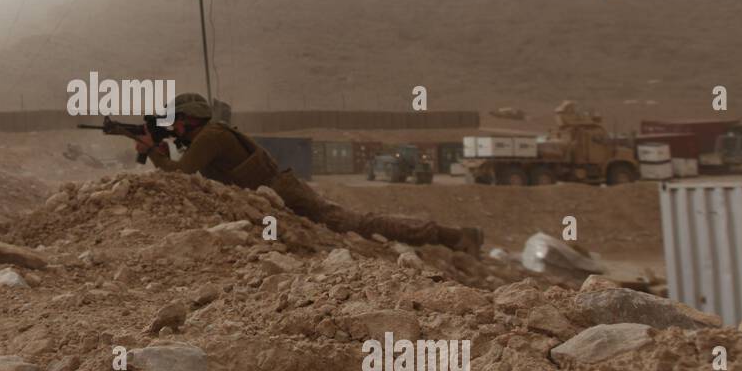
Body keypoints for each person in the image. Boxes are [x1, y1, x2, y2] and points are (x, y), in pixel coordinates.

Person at [134, 92, 482, 255]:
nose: (173, 128)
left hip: (284, 194)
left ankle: (450, 235)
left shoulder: (210, 136)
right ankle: (449, 235)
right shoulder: (210, 134)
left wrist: (152, 152)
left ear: (190, 120)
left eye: (175, 122)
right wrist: (159, 151)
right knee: (353, 222)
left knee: (357, 223)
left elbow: (181, 176)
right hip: (279, 190)